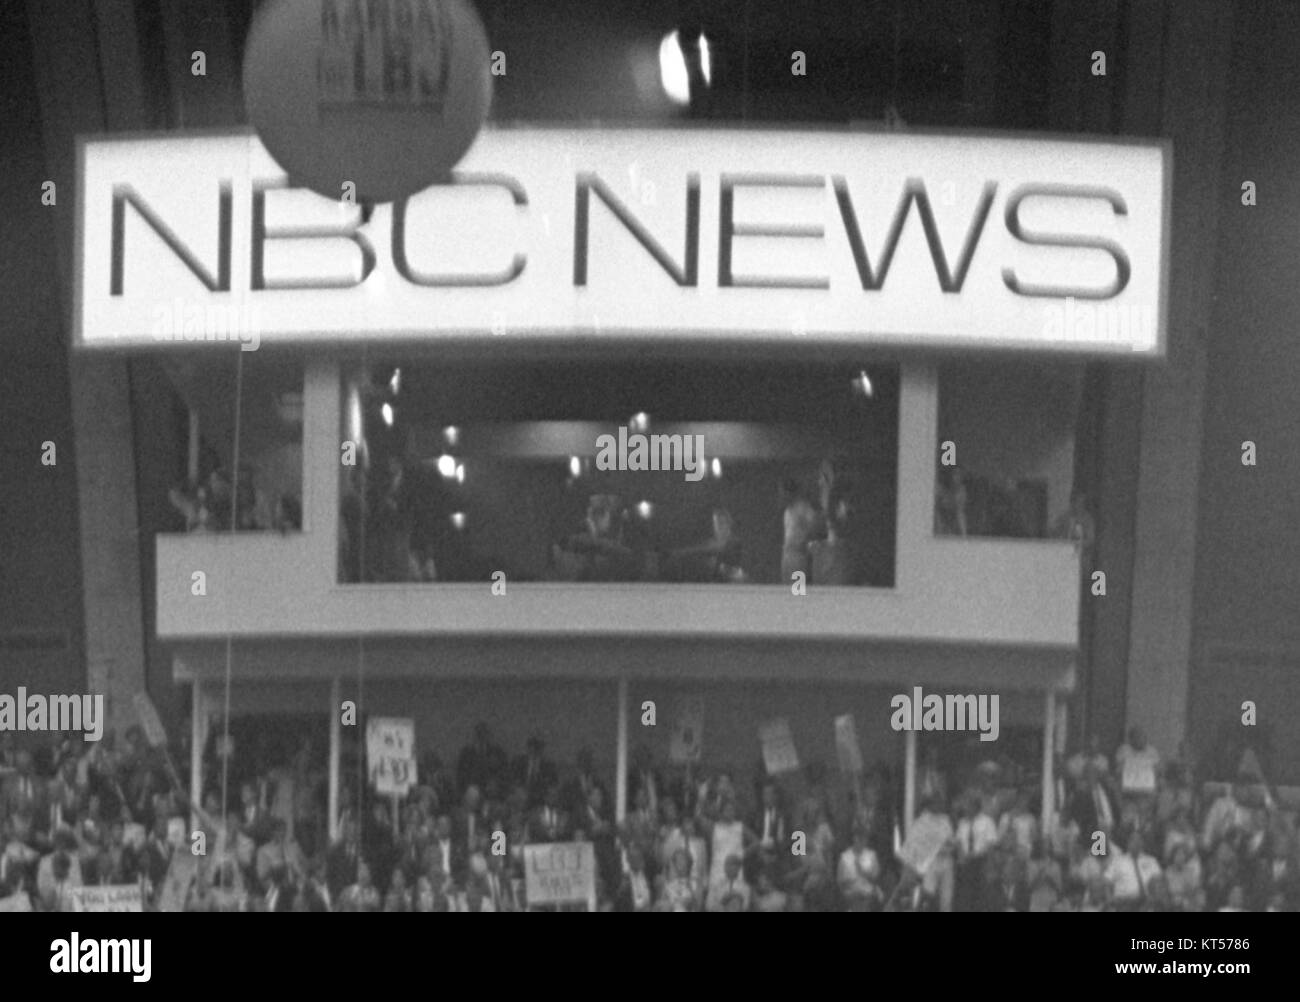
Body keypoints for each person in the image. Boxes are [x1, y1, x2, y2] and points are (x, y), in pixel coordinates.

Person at [778, 478, 818, 583]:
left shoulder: (803, 507)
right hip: (787, 555)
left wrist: (804, 540)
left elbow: (815, 526)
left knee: (797, 591)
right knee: (787, 591)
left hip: (798, 556)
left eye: (783, 493)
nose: (781, 496)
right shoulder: (787, 510)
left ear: (789, 492)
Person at [838, 824, 883, 911]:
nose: (861, 841)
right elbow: (840, 882)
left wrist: (863, 871)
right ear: (854, 838)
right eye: (859, 838)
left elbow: (876, 876)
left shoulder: (872, 855)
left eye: (864, 838)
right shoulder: (844, 857)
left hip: (868, 897)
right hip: (851, 898)